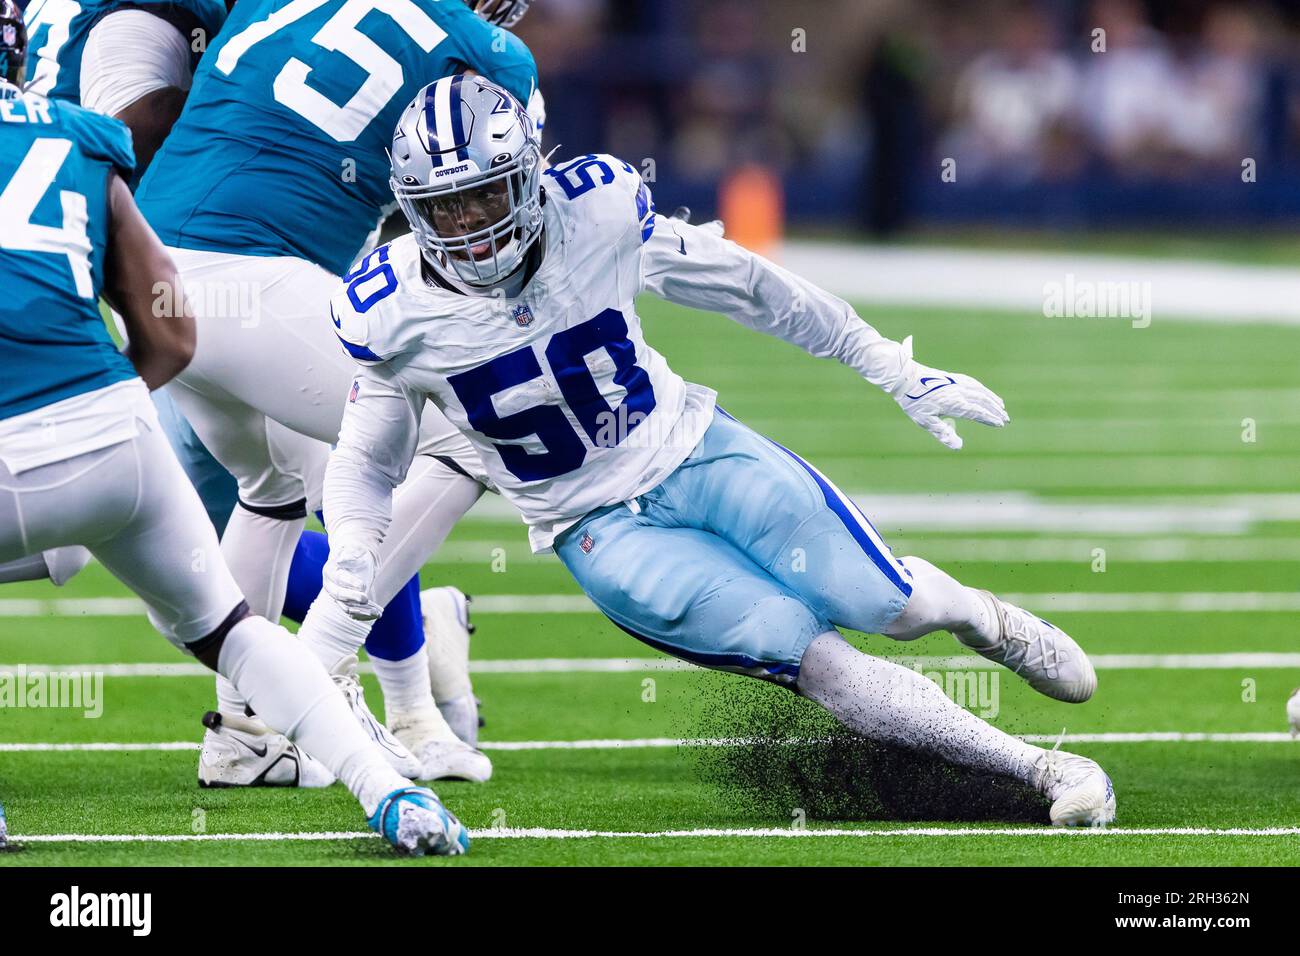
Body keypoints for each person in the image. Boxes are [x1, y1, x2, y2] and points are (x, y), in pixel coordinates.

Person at [313, 74, 1116, 828]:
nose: (473, 224)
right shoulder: (393, 310)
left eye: (488, 193)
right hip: (597, 530)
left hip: (694, 450)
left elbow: (748, 285)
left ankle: (985, 619)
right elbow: (367, 458)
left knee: (889, 604)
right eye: (448, 206)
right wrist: (352, 546)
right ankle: (1041, 770)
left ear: (528, 173)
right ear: (412, 206)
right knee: (809, 657)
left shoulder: (597, 213)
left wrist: (890, 365)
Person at [0, 24, 466, 855]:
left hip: (20, 456)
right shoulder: (78, 139)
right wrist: (106, 409)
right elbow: (171, 334)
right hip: (117, 439)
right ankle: (388, 794)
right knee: (236, 631)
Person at [132, 0, 543, 785]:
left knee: (270, 486)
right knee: (468, 435)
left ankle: (246, 737)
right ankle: (312, 680)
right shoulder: (484, 54)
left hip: (151, 269)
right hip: (249, 274)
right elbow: (487, 212)